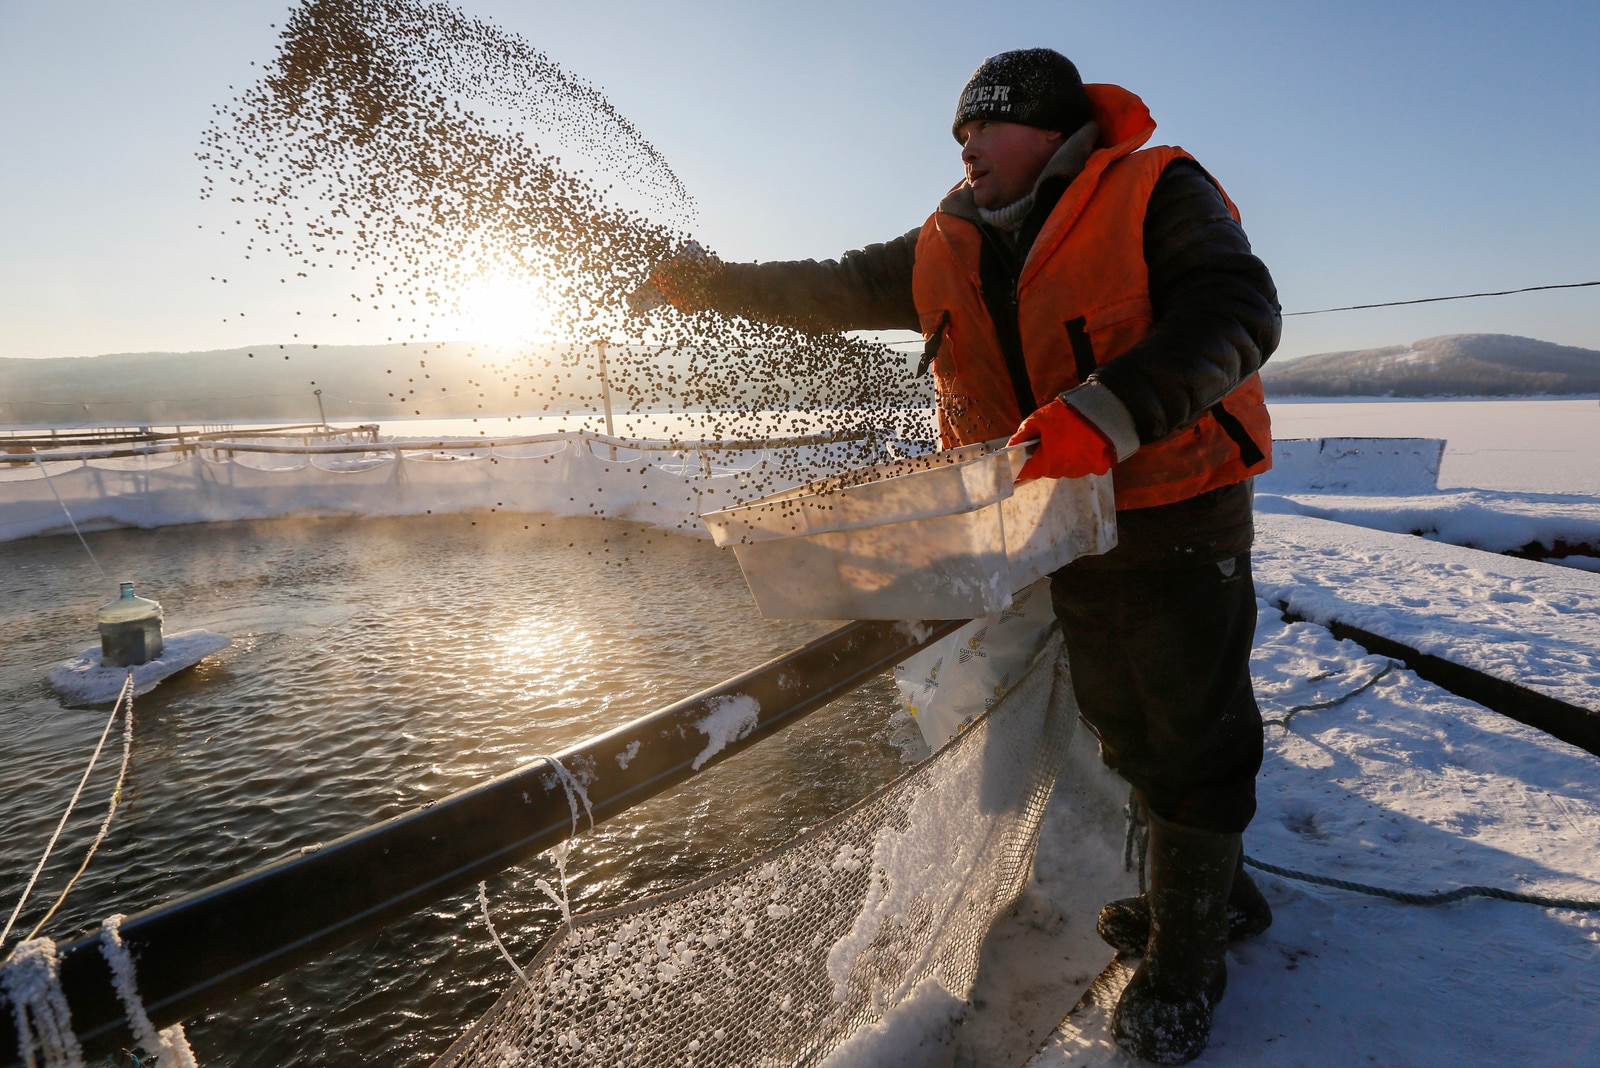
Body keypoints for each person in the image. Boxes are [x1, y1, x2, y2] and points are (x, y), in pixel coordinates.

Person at [642, 48, 1280, 1066]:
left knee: (1193, 730)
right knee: (1122, 720)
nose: (967, 147)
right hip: (1053, 525)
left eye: (987, 126)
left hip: (1172, 510)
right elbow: (830, 286)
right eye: (958, 134)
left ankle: (1189, 955)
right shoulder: (947, 236)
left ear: (1052, 129)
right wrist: (708, 286)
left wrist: (1106, 416)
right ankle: (1209, 893)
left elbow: (1236, 311)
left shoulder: (1156, 191)